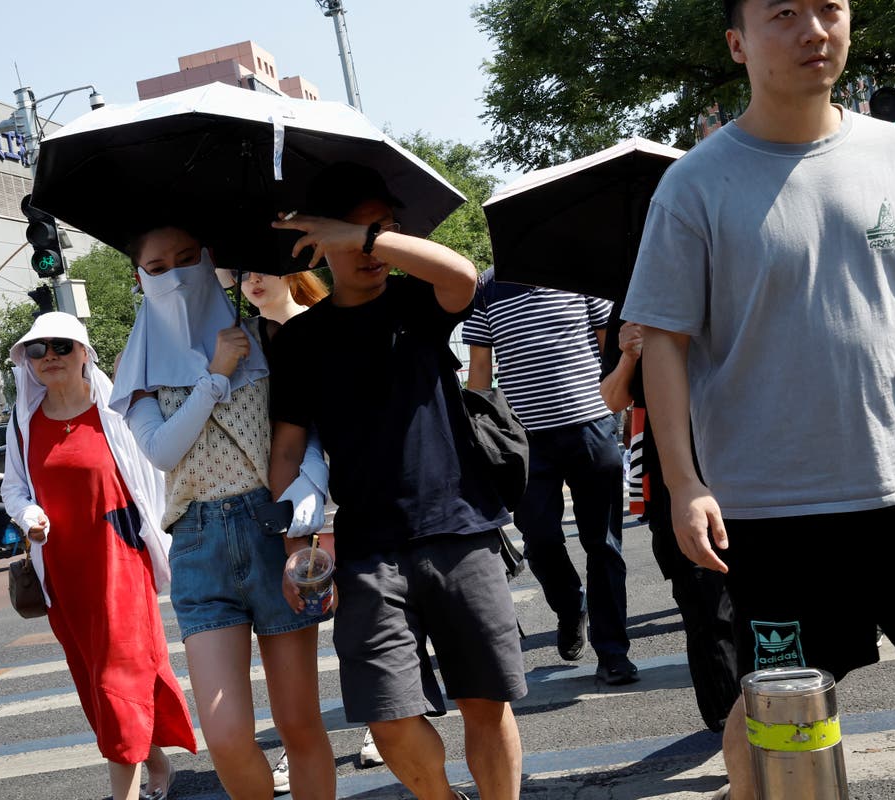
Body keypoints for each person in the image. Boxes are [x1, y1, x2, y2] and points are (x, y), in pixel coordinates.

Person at [621, 0, 895, 796]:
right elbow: (664, 343)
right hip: (776, 508)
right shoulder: (694, 185)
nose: (813, 30)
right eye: (783, 12)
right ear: (737, 43)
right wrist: (683, 482)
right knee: (784, 719)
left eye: (829, 8)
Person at [269, 163, 527, 800]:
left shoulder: (416, 303)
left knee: (485, 700)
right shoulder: (301, 341)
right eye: (358, 231)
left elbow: (463, 276)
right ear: (319, 242)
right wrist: (295, 551)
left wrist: (363, 235)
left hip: (461, 528)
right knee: (385, 712)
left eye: (384, 229)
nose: (373, 247)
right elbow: (287, 450)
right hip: (367, 549)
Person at [111, 224, 336, 800]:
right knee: (227, 736)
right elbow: (161, 450)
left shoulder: (264, 335)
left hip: (272, 532)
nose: (175, 276)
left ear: (211, 258)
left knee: (299, 723)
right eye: (158, 268)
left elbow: (304, 432)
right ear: (139, 277)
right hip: (198, 543)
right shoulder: (136, 362)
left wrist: (310, 496)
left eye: (188, 259)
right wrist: (214, 376)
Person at [0, 312, 196, 800]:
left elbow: (157, 472)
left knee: (117, 673)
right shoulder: (23, 424)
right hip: (62, 571)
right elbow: (14, 489)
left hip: (120, 561)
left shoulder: (117, 412)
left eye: (62, 346)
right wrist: (29, 516)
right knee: (96, 678)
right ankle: (156, 762)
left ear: (84, 352)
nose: (50, 357)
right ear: (27, 361)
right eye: (38, 349)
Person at [216, 267, 386, 792]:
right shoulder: (241, 339)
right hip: (284, 499)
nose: (252, 281)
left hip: (340, 488)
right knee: (302, 620)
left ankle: (382, 721)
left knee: (363, 613)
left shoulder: (320, 324)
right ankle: (299, 747)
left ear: (291, 272)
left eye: (261, 269)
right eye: (241, 273)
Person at [463, 274, 637, 685]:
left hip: (591, 425)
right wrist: (479, 435)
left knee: (603, 544)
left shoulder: (576, 276)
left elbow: (606, 344)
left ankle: (613, 652)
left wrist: (617, 404)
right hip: (525, 440)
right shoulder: (486, 288)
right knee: (539, 540)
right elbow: (480, 367)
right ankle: (570, 605)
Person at [600, 308, 738, 730]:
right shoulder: (633, 309)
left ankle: (773, 710)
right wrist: (629, 356)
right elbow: (612, 399)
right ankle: (729, 723)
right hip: (674, 481)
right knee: (705, 606)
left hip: (744, 463)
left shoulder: (734, 291)